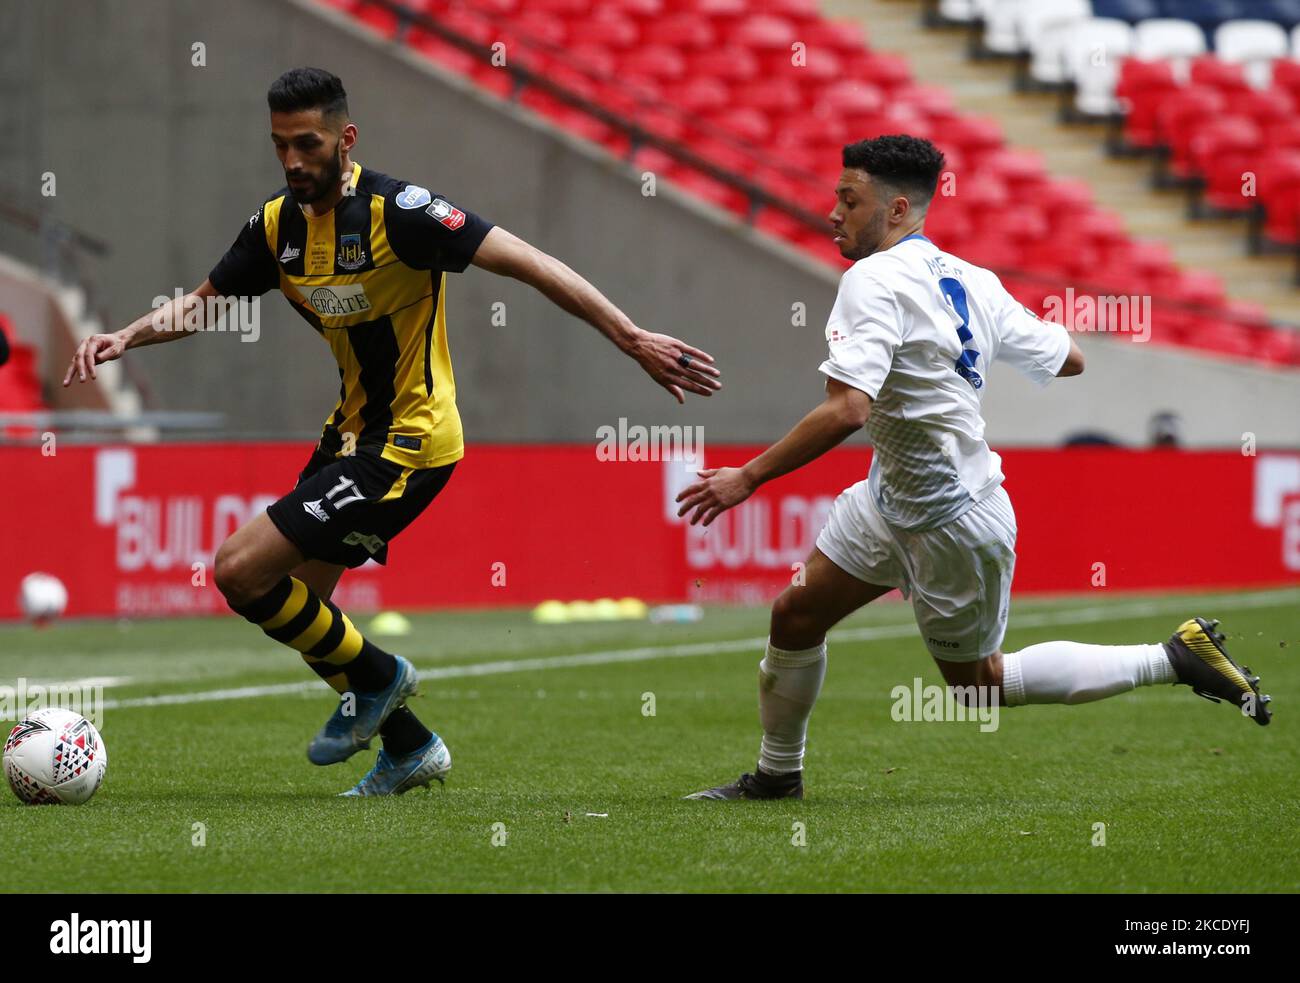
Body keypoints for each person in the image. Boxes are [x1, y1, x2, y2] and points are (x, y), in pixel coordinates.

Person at [63, 67, 721, 796]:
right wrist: (127, 334)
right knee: (304, 611)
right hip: (347, 438)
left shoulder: (402, 213)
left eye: (307, 143)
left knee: (239, 570)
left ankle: (385, 677)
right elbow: (203, 302)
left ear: (345, 139)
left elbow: (529, 262)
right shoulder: (276, 227)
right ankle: (409, 747)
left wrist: (630, 338)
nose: (292, 161)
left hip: (410, 442)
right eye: (280, 145)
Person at [676, 135, 1270, 801]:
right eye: (836, 198)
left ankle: (1174, 658)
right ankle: (777, 774)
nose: (833, 213)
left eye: (850, 200)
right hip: (889, 499)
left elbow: (847, 409)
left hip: (952, 520)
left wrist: (748, 477)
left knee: (978, 685)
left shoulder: (870, 280)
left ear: (897, 209)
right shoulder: (972, 280)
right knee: (794, 616)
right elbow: (1070, 357)